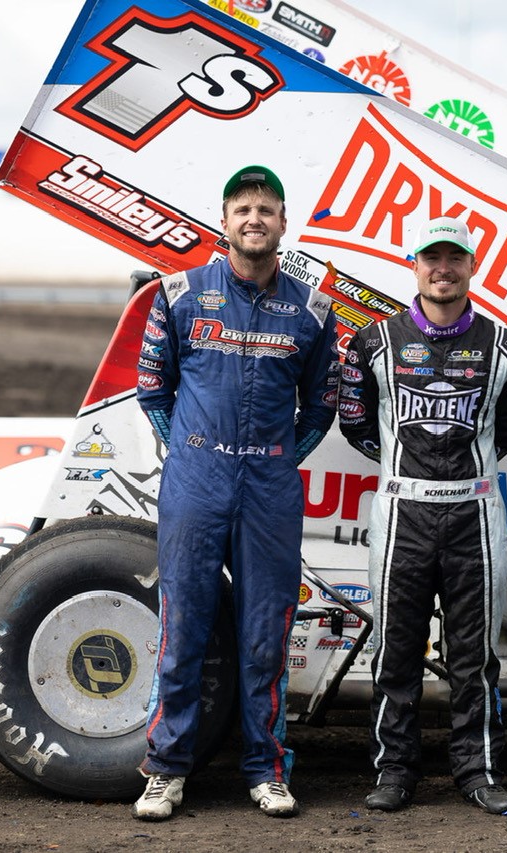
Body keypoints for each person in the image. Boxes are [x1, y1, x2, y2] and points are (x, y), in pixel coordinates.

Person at [132, 165, 341, 821]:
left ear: (283, 223)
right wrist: (190, 450)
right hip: (196, 482)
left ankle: (266, 769)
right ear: (224, 221)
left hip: (269, 488)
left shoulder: (313, 308)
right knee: (182, 630)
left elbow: (321, 406)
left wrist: (276, 459)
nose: (255, 219)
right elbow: (151, 388)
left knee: (265, 637)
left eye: (266, 209)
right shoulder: (179, 293)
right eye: (243, 209)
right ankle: (165, 769)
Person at [339, 216, 507, 816]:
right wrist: (406, 471)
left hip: (476, 511)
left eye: (454, 258)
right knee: (395, 650)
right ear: (415, 264)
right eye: (432, 258)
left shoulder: (505, 347)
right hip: (403, 510)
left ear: (472, 266)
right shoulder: (374, 342)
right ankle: (395, 770)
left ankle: (478, 771)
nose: (442, 269)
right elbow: (355, 423)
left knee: (475, 656)